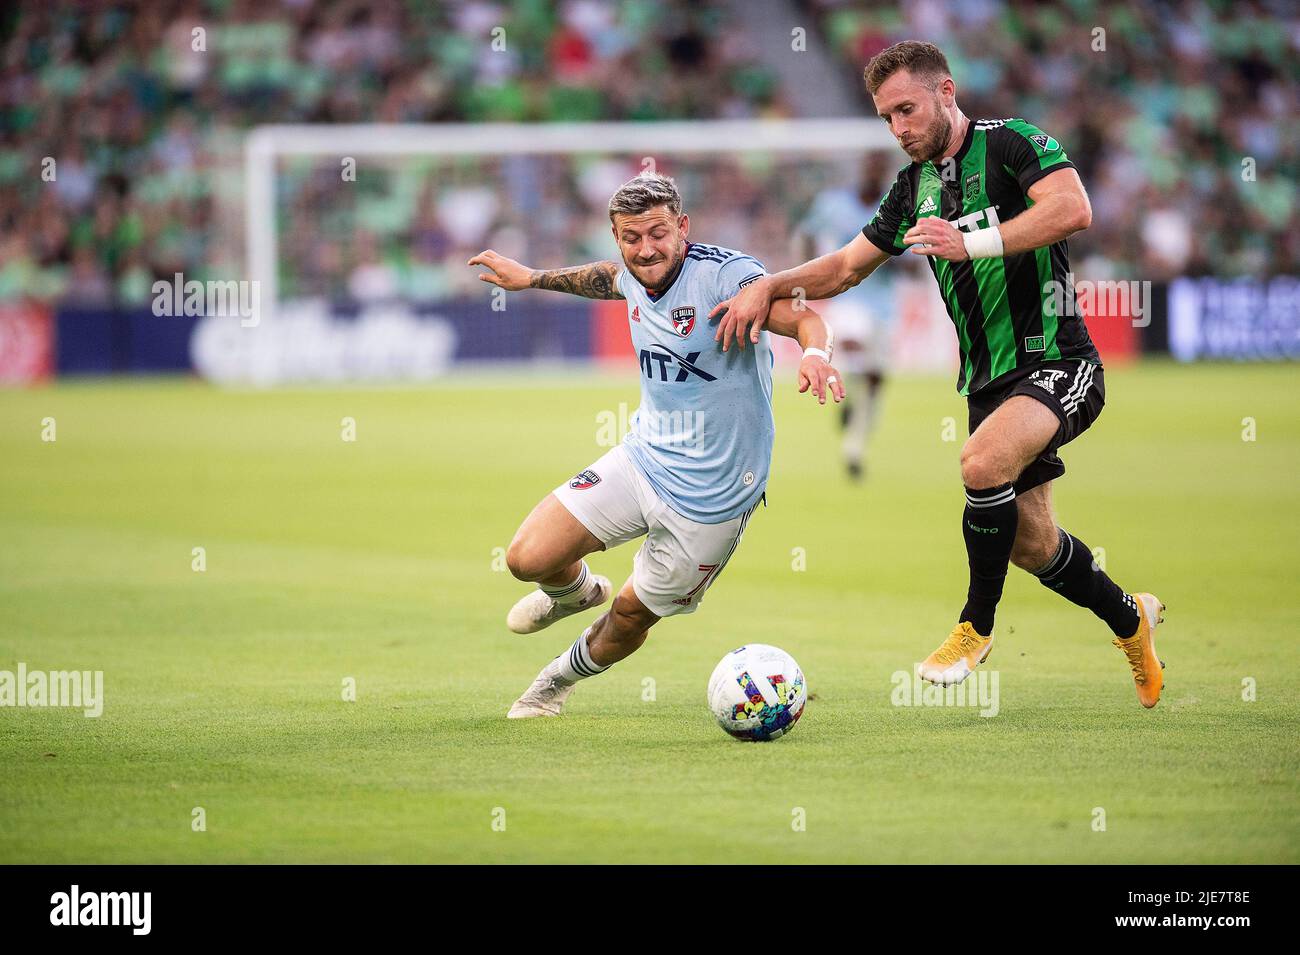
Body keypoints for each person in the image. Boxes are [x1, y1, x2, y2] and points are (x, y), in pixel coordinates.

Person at [711, 41, 1167, 708]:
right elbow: (842, 269)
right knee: (1032, 544)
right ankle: (1131, 619)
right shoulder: (910, 188)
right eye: (887, 118)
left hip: (1058, 359)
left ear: (946, 92)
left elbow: (1074, 209)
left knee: (981, 465)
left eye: (907, 110)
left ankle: (974, 627)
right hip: (986, 382)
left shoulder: (1013, 143)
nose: (898, 129)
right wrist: (767, 285)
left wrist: (974, 240)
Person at [469, 173, 844, 718]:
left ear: (683, 228)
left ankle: (552, 684)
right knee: (527, 558)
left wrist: (814, 355)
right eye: (630, 237)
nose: (646, 250)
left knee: (629, 617)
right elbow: (605, 279)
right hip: (644, 460)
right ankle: (575, 595)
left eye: (658, 234)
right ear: (616, 237)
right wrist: (530, 278)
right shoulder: (629, 270)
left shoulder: (725, 278)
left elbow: (805, 316)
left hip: (714, 501)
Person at [794, 153, 901, 480]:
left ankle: (854, 447)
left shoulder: (896, 207)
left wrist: (890, 257)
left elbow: (909, 257)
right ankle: (849, 396)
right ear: (861, 169)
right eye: (870, 166)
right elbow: (806, 232)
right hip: (847, 296)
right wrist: (809, 274)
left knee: (876, 379)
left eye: (880, 167)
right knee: (853, 345)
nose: (874, 171)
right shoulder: (834, 204)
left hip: (883, 302)